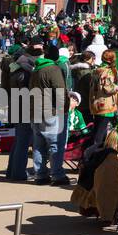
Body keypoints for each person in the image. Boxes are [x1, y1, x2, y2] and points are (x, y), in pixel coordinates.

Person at [29, 43, 70, 185]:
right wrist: (65, 108)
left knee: (39, 145)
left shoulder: (36, 69)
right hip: (51, 112)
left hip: (35, 112)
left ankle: (40, 174)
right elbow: (60, 90)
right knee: (55, 144)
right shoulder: (53, 69)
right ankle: (57, 174)